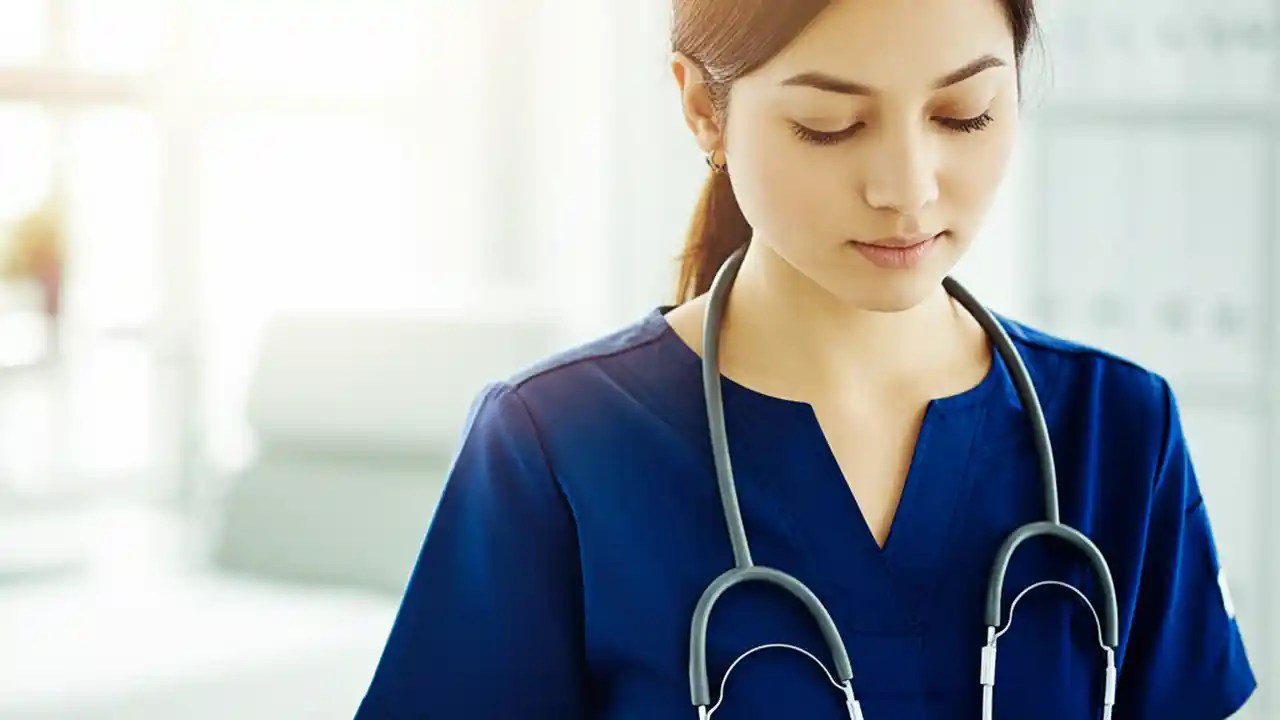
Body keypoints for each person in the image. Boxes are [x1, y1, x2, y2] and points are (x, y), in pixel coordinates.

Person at [355, 0, 1257, 717]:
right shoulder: (555, 448)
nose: (907, 187)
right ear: (704, 109)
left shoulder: (1118, 431)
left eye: (964, 114)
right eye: (830, 125)